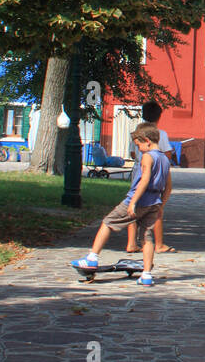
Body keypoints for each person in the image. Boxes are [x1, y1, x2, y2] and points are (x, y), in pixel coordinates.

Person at [72, 122, 170, 286]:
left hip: (139, 199)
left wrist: (133, 202)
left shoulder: (148, 156)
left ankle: (92, 258)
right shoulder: (165, 159)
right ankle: (146, 275)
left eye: (138, 144)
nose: (138, 148)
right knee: (146, 237)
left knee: (108, 222)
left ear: (146, 140)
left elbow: (144, 181)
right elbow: (169, 186)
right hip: (154, 202)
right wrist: (161, 205)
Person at [128, 101, 175, 253]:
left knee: (133, 205)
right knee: (156, 206)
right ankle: (159, 244)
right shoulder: (161, 134)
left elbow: (133, 153)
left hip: (137, 170)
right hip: (156, 173)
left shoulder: (137, 132)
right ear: (159, 116)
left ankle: (131, 243)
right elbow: (167, 155)